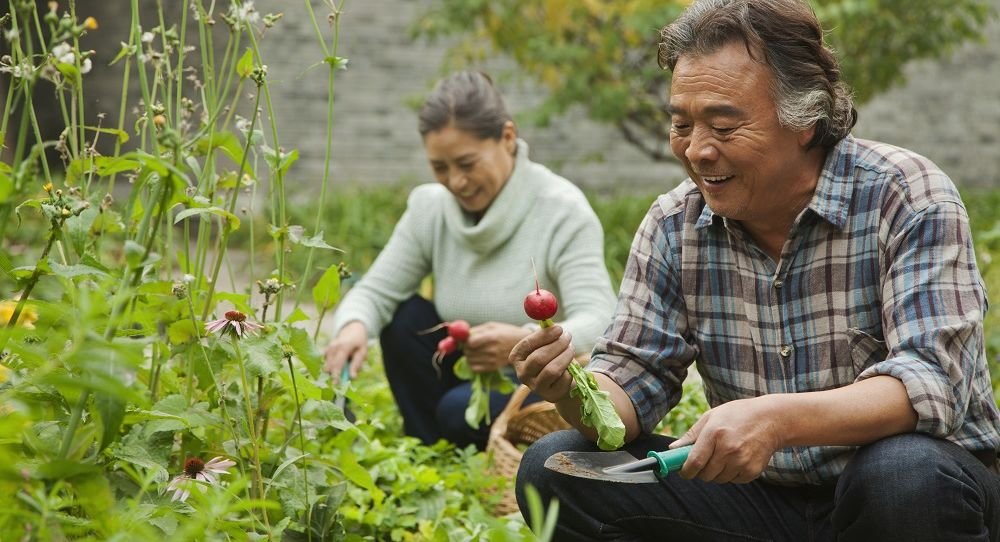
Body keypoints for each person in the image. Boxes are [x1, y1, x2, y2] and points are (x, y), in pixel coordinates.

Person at [508, 1, 1000, 540]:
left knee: (902, 474)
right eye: (681, 124)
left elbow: (930, 383)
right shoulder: (675, 225)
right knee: (552, 467)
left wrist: (775, 419)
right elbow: (631, 383)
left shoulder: (907, 197)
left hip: (907, 490)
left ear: (805, 121)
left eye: (722, 124)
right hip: (762, 502)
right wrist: (569, 387)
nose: (697, 150)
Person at [322, 71, 617, 450]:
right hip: (464, 373)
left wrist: (526, 341)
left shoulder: (562, 210)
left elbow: (599, 318)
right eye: (440, 167)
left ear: (507, 138)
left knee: (458, 409)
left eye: (467, 163)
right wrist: (353, 328)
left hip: (535, 381)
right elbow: (375, 291)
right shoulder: (430, 207)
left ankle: (461, 447)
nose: (456, 182)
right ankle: (433, 455)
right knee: (403, 317)